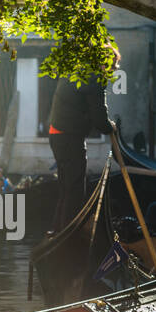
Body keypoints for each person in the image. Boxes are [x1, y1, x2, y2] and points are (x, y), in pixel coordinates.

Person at [47, 76, 113, 233]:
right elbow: (100, 120)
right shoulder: (95, 79)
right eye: (111, 69)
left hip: (56, 135)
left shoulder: (74, 71)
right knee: (75, 188)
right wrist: (111, 128)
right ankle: (69, 233)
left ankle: (58, 229)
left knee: (65, 187)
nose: (110, 73)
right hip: (70, 137)